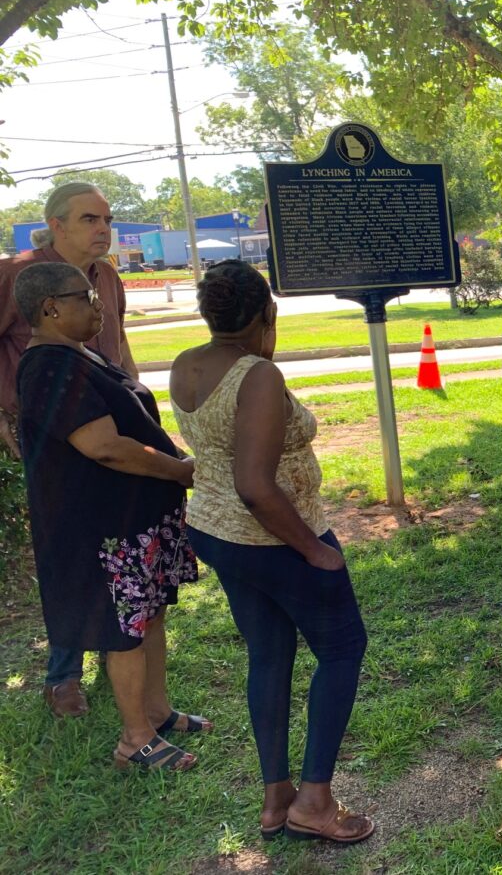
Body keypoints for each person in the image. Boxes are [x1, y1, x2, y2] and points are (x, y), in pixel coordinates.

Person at [170, 260, 372, 843]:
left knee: (269, 654)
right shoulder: (256, 374)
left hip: (218, 532)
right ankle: (314, 802)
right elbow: (255, 486)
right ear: (267, 312)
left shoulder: (186, 364)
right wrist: (314, 550)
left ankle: (276, 797)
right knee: (343, 648)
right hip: (273, 536)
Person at [14, 262, 202, 771]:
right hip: (103, 531)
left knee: (151, 613)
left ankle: (157, 712)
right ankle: (135, 740)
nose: (99, 304)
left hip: (136, 520)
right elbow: (103, 446)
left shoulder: (81, 353)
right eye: (86, 297)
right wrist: (178, 470)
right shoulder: (48, 368)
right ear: (51, 308)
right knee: (125, 632)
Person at [0, 182, 139, 718]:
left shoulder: (108, 276)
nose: (103, 229)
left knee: (113, 540)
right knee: (67, 551)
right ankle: (63, 675)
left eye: (107, 219)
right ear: (56, 225)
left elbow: (119, 345)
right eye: (89, 219)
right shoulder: (18, 275)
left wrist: (138, 404)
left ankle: (116, 647)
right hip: (51, 437)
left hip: (108, 429)